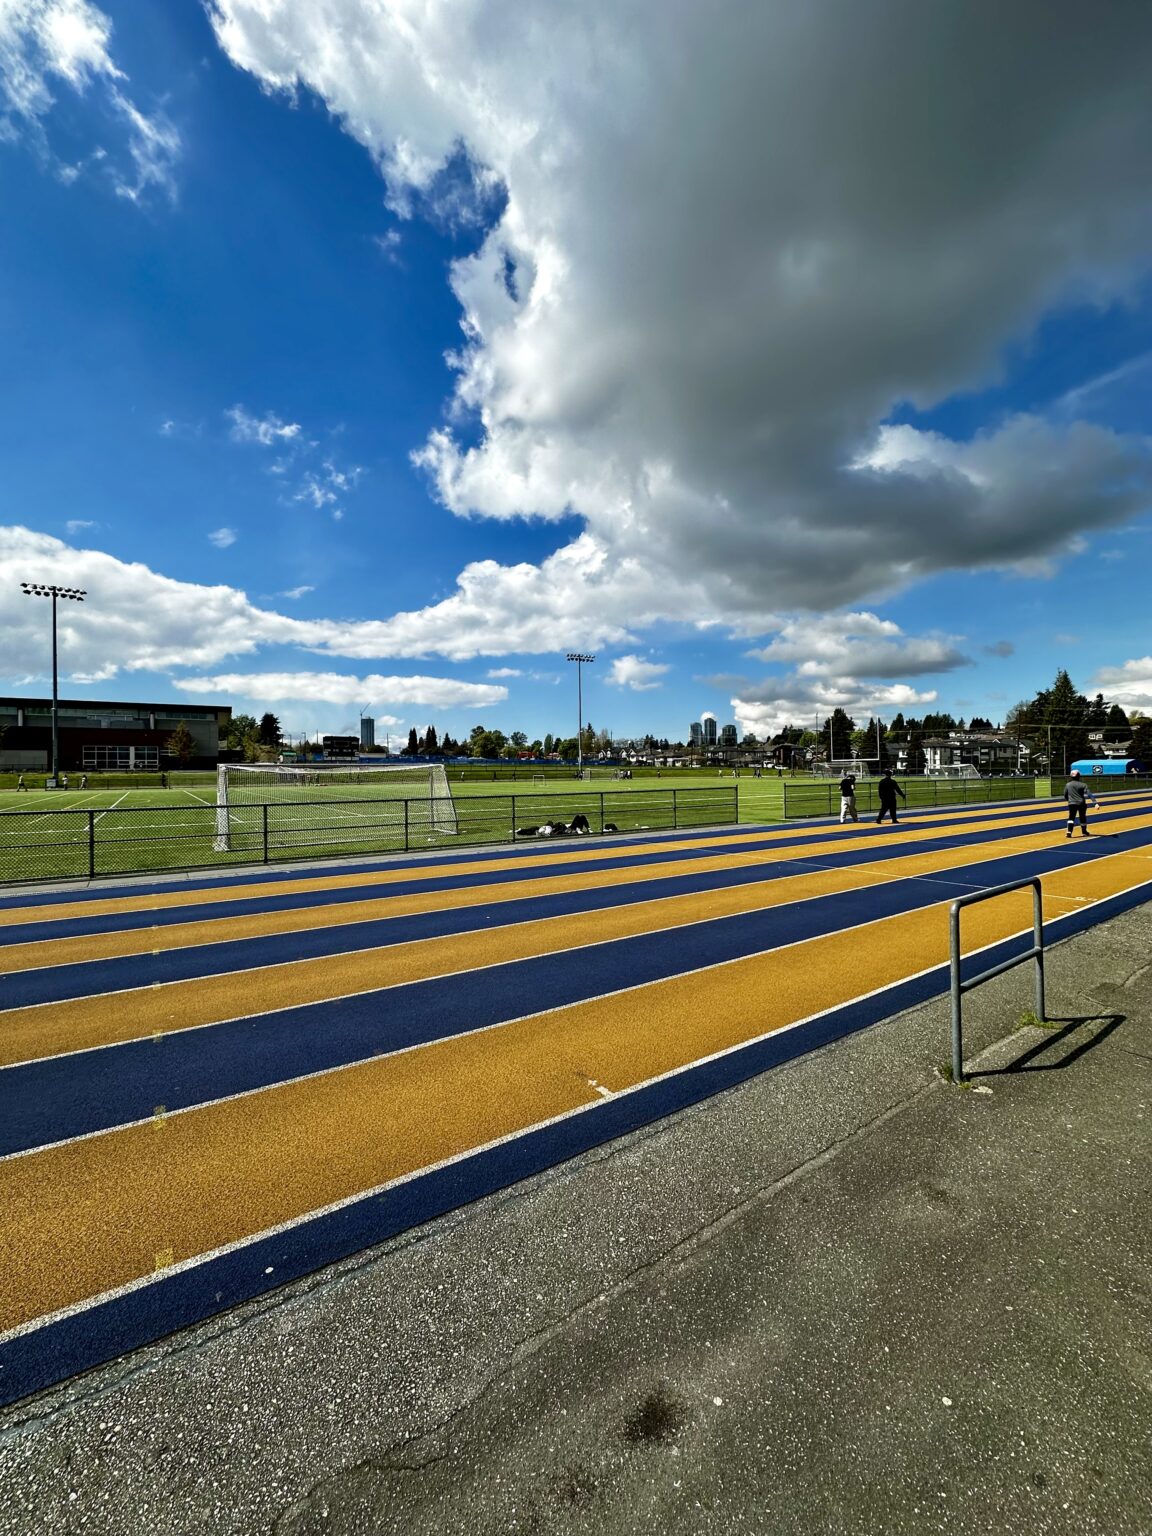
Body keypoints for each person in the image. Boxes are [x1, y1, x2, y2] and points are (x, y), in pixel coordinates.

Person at [1063, 769, 1098, 838]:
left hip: (1072, 803)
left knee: (1071, 817)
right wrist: (1095, 803)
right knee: (1082, 817)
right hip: (1081, 803)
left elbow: (1065, 794)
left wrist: (1069, 800)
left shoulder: (1068, 785)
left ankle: (1069, 831)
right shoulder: (1083, 785)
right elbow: (1089, 794)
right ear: (1079, 776)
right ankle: (1084, 832)